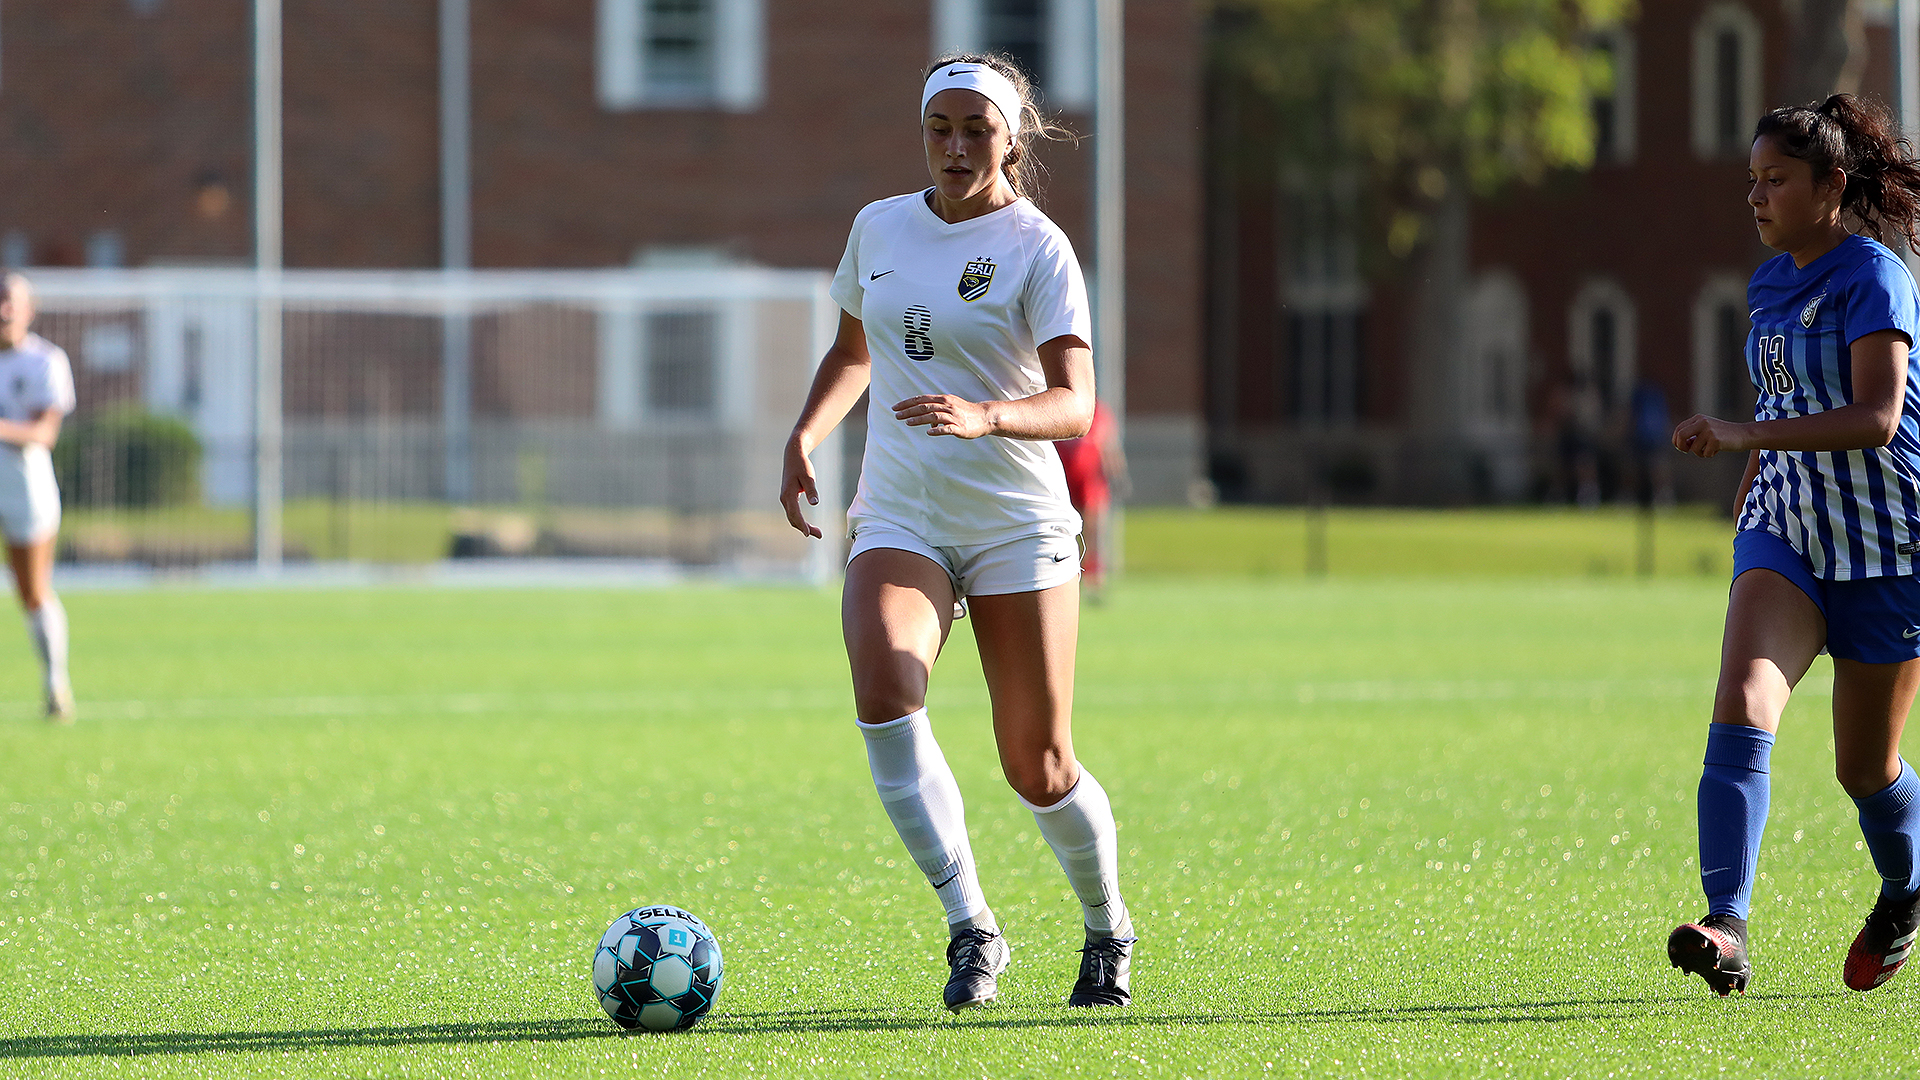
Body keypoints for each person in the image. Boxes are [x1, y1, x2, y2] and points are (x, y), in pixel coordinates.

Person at [778, 54, 1135, 1011]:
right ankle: (971, 922)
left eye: (977, 129)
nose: (956, 146)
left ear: (1011, 139)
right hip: (904, 511)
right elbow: (855, 350)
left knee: (1038, 763)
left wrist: (986, 415)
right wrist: (807, 434)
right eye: (941, 128)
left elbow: (1076, 404)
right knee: (886, 684)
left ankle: (1106, 926)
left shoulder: (1039, 247)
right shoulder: (879, 227)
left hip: (1015, 521)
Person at [1668, 95, 1920, 996]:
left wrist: (1741, 437)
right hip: (1787, 527)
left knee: (1863, 769)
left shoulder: (1875, 277)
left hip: (1888, 545)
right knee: (1741, 703)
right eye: (1751, 180)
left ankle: (1906, 886)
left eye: (1776, 180)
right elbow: (1783, 407)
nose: (1757, 197)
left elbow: (1878, 419)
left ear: (1832, 187)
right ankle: (1726, 925)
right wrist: (1751, 476)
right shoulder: (1771, 282)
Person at [0, 274, 74, 722]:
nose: (3, 310)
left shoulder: (45, 361)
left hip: (24, 486)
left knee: (31, 590)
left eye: (11, 301)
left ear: (29, 310)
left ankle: (55, 683)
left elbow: (46, 433)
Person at [1053, 398, 1127, 600]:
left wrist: (1117, 474)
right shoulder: (1060, 409)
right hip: (1064, 479)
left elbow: (1109, 446)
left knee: (1094, 530)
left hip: (1091, 481)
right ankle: (1066, 575)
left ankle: (1094, 577)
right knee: (1065, 529)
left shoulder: (1099, 413)